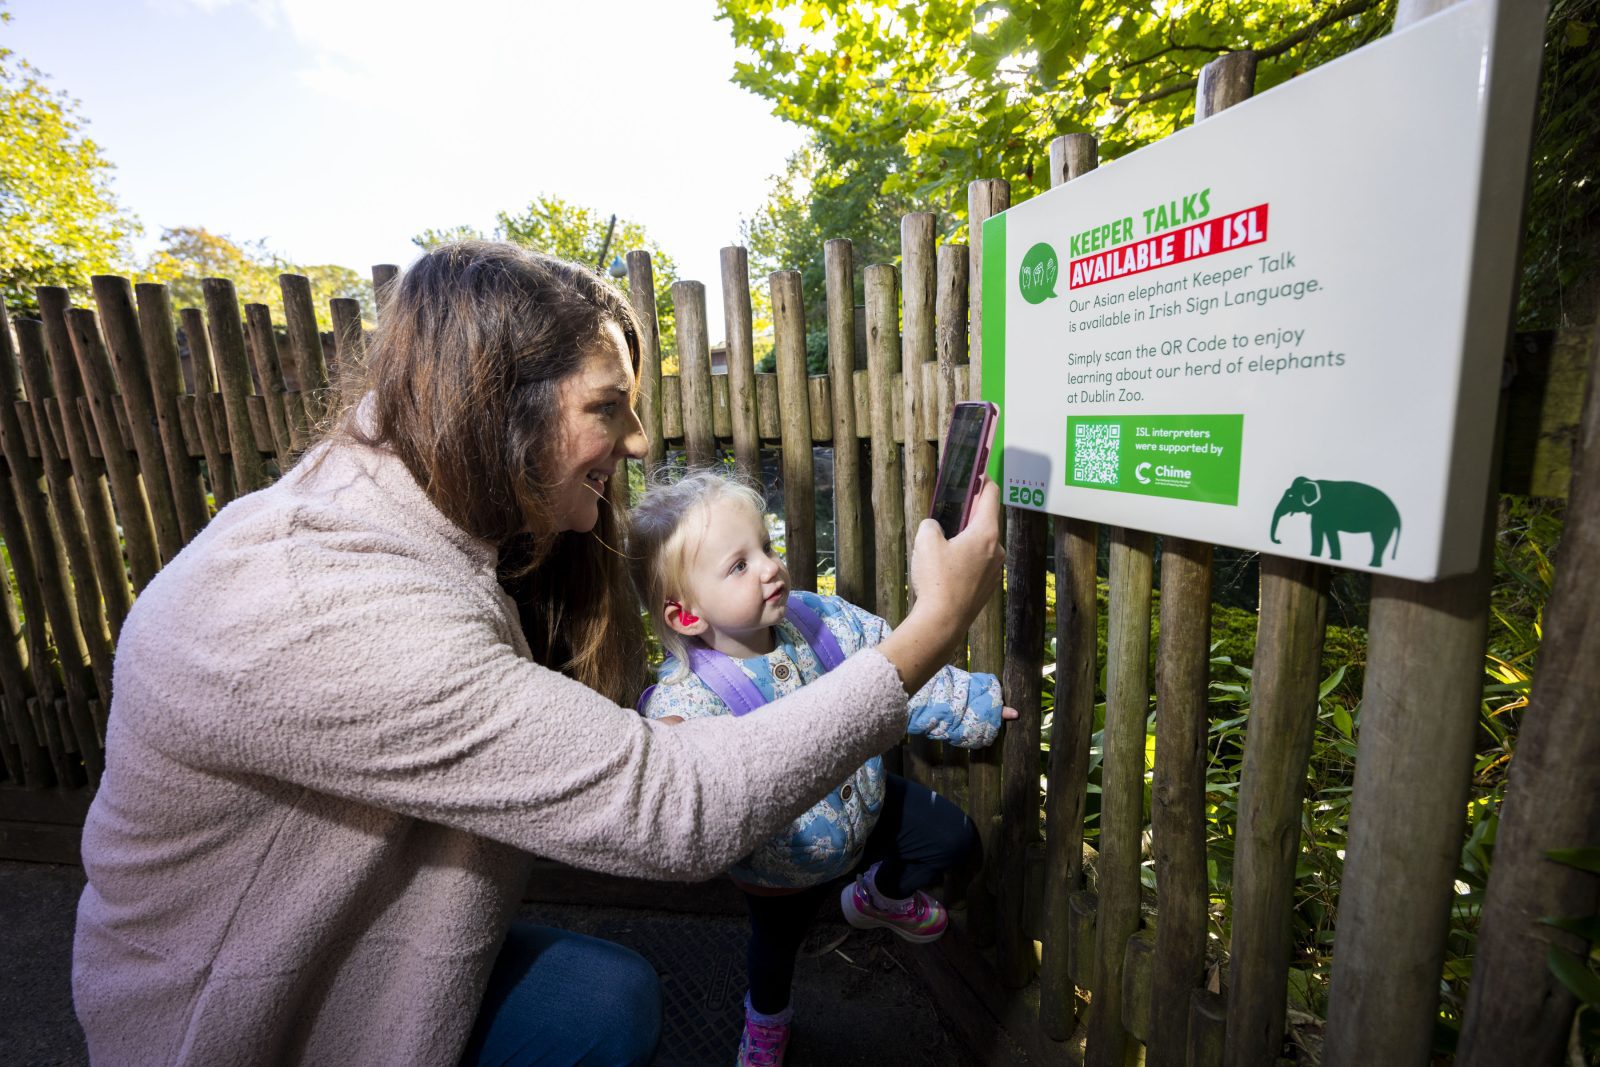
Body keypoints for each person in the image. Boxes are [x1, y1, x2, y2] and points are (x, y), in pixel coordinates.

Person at [70, 241, 1006, 1067]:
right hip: (236, 1026)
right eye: (608, 407)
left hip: (353, 951)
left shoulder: (424, 518)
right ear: (493, 408)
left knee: (606, 999)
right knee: (603, 1002)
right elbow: (671, 806)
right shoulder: (322, 605)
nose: (636, 440)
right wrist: (933, 625)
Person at [628, 470, 1015, 1067]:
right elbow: (685, 776)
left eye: (767, 546)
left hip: (866, 804)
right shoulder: (689, 699)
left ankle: (878, 896)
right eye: (739, 565)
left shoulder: (816, 619)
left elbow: (897, 669)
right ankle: (766, 1022)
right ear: (685, 616)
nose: (770, 567)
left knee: (953, 839)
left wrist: (975, 705)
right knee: (775, 952)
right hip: (779, 868)